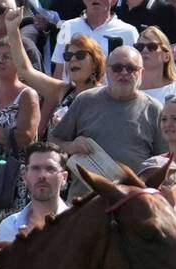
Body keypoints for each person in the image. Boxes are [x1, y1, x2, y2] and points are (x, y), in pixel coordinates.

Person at [51, 44, 167, 176]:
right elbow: (54, 141)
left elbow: (164, 158)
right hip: (86, 188)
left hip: (133, 188)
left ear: (141, 73)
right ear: (107, 71)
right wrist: (71, 147)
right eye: (117, 68)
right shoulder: (85, 100)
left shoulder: (154, 109)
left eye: (131, 68)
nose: (124, 73)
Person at [4, 5, 103, 133]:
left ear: (95, 62)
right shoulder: (63, 91)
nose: (73, 59)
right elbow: (25, 69)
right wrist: (13, 30)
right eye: (68, 56)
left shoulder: (106, 96)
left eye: (80, 55)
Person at [0, 37, 40, 231]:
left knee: (10, 236)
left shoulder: (27, 95)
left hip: (13, 180)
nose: (0, 61)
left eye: (6, 57)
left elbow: (25, 138)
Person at [0, 139, 67, 243]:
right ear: (24, 176)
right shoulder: (9, 227)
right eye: (35, 168)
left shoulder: (78, 224)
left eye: (50, 169)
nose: (42, 175)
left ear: (64, 178)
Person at [50, 0, 139, 79]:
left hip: (110, 92)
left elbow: (137, 72)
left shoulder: (129, 32)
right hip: (73, 92)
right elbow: (59, 69)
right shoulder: (67, 27)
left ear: (114, 1)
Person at [134, 25, 176, 105]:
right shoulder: (126, 90)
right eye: (139, 47)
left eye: (152, 46)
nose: (144, 50)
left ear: (166, 56)